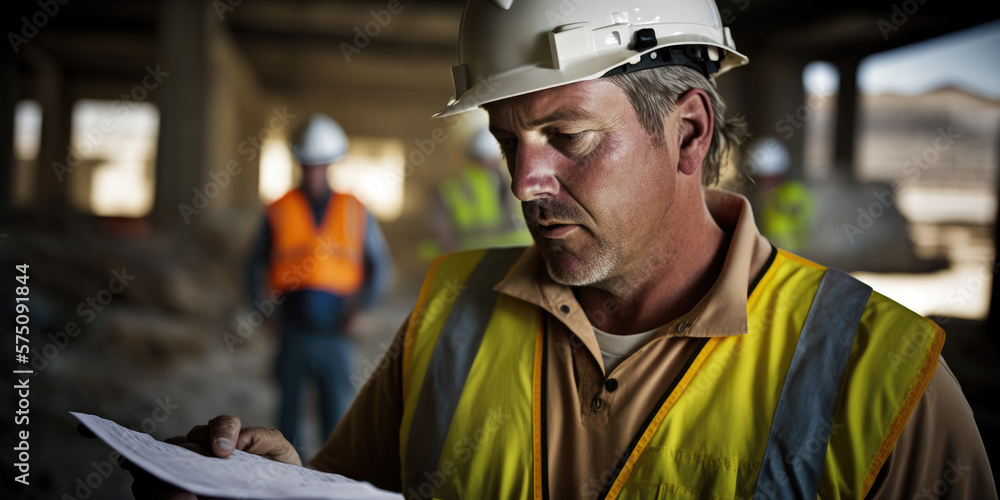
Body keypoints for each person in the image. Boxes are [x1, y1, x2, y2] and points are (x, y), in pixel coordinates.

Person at [134, 1, 996, 498]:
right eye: (509, 142)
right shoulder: (447, 312)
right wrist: (276, 488)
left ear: (689, 132)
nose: (523, 181)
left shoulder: (885, 379)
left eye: (568, 136)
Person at [245, 113, 394, 457]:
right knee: (286, 424)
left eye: (320, 164)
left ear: (331, 164)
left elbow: (380, 267)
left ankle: (330, 486)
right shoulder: (279, 209)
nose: (313, 171)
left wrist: (360, 309)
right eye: (307, 164)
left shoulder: (354, 210)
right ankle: (283, 486)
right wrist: (261, 312)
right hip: (292, 328)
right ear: (298, 162)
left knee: (336, 420)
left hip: (337, 331)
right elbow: (252, 265)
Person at [420, 128, 533, 259]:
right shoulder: (522, 182)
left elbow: (443, 237)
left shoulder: (450, 189)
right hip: (515, 260)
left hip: (473, 262)